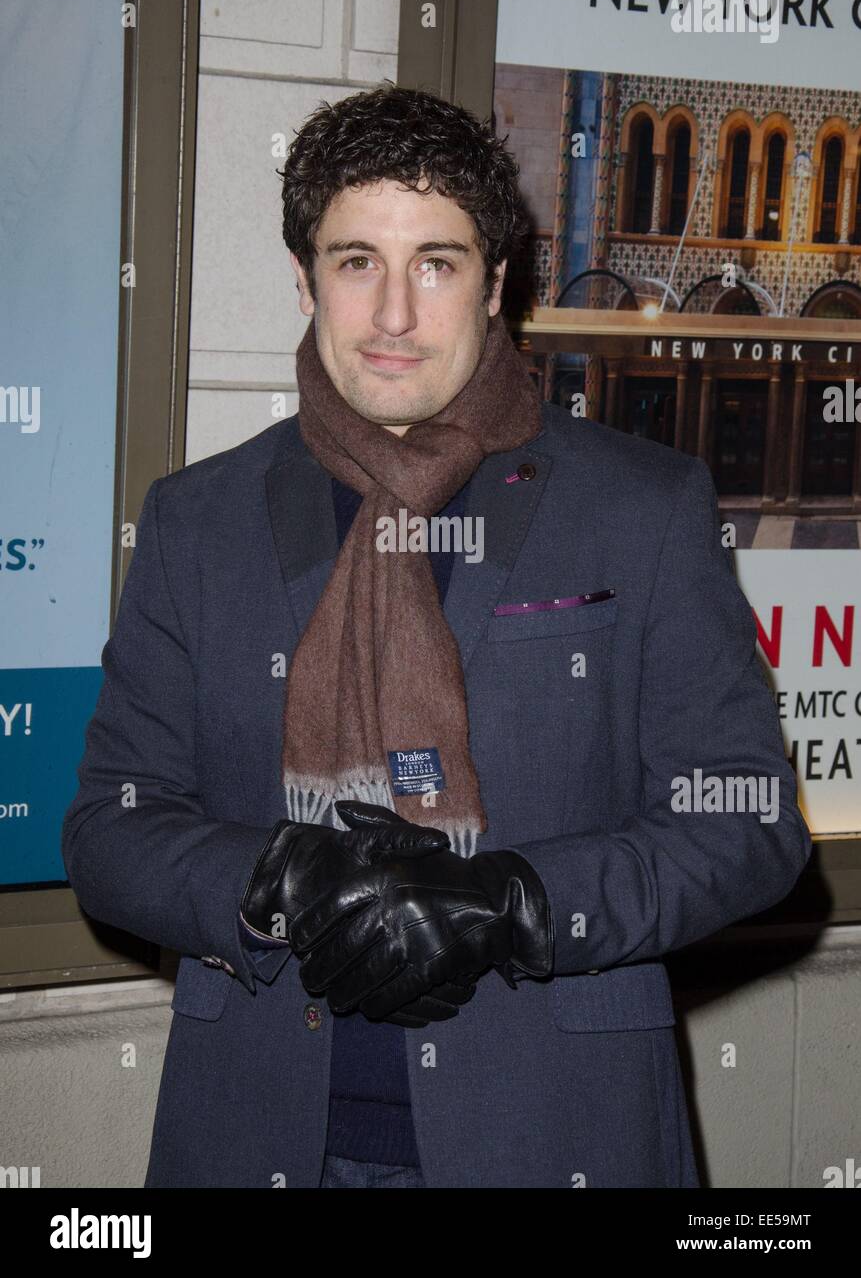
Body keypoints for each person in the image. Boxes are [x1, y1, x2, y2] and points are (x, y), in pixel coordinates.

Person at [63, 83, 812, 1189]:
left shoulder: (641, 507)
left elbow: (749, 822)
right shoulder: (196, 519)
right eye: (357, 260)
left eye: (439, 263)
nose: (396, 315)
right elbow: (109, 828)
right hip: (262, 1139)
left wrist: (514, 904)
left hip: (554, 1138)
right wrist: (270, 877)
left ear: (497, 282)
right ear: (305, 280)